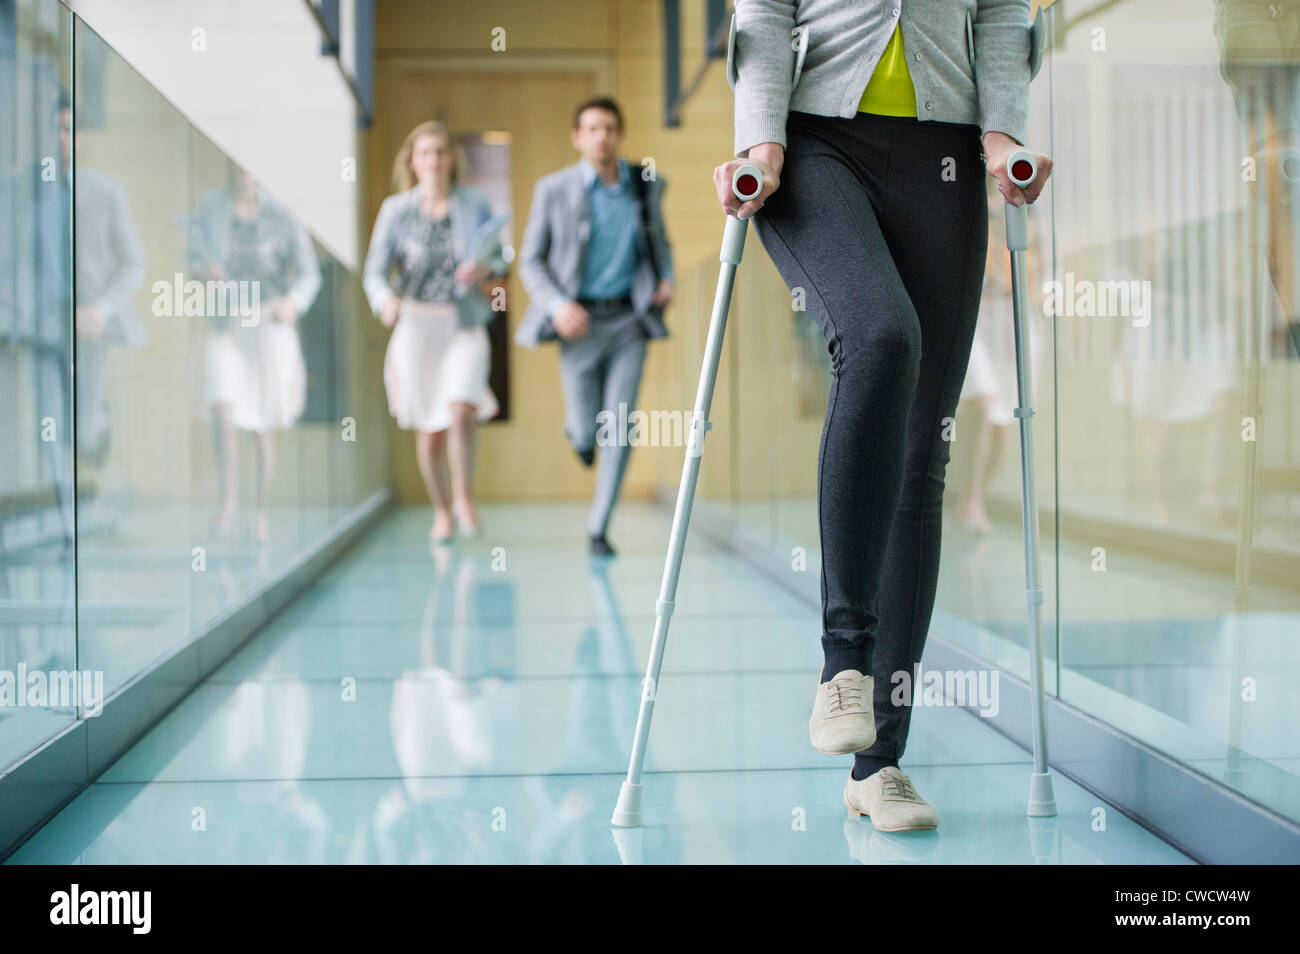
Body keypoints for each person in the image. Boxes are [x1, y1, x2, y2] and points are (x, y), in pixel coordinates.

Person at [717, 0, 1052, 831]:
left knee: (921, 456)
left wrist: (1002, 132)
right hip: (816, 140)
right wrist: (760, 138)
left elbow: (1006, 12)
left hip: (944, 149)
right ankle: (843, 662)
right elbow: (761, 14)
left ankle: (880, 764)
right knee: (879, 337)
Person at [515, 96, 676, 558]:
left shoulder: (645, 184)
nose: (602, 136)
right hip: (577, 325)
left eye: (609, 127)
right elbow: (530, 260)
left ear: (619, 134)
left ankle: (598, 526)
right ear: (577, 138)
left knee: (619, 426)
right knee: (588, 429)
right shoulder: (554, 189)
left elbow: (660, 244)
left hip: (629, 320)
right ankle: (580, 437)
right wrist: (558, 305)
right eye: (592, 129)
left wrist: (666, 279)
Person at [364, 121, 507, 544]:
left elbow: (498, 258)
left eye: (442, 151)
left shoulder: (473, 202)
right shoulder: (396, 210)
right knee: (430, 433)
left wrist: (486, 268)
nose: (435, 160)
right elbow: (374, 271)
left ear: (451, 159)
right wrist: (385, 300)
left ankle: (464, 500)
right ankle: (441, 511)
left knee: (461, 408)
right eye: (426, 153)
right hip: (416, 325)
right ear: (413, 161)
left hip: (462, 321)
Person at [188, 168, 321, 544]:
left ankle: (261, 514)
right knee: (222, 409)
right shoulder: (213, 208)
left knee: (261, 427)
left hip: (268, 323)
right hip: (227, 323)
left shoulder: (283, 215)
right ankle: (228, 499)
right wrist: (204, 274)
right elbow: (192, 260)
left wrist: (293, 303)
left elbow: (309, 274)